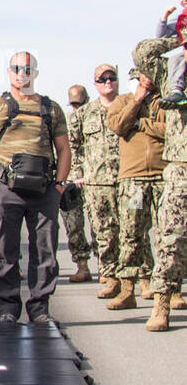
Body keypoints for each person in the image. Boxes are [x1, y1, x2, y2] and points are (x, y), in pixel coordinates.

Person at [0, 52, 72, 323]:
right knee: (5, 252)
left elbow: (63, 149)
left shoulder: (51, 108)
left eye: (28, 69)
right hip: (7, 190)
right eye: (17, 68)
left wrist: (59, 187)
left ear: (35, 74)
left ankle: (40, 308)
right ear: (9, 71)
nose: (22, 73)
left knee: (45, 253)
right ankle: (8, 309)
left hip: (44, 192)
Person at [105, 47, 168, 311]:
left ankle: (169, 289)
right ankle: (128, 288)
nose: (147, 80)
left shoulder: (167, 101)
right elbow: (118, 126)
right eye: (142, 77)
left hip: (163, 176)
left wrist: (141, 125)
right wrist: (137, 101)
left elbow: (170, 132)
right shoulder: (123, 101)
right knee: (131, 234)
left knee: (166, 235)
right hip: (133, 180)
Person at [142, 37, 187, 329]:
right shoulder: (173, 70)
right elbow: (143, 55)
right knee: (171, 235)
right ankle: (162, 302)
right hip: (180, 165)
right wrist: (177, 37)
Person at [72, 64, 126, 298]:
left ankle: (138, 278)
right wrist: (77, 172)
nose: (107, 82)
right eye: (102, 79)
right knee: (104, 232)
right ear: (95, 84)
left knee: (133, 232)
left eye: (111, 78)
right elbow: (73, 144)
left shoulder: (129, 107)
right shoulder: (85, 113)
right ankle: (110, 276)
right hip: (96, 183)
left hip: (127, 179)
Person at [61, 84, 94, 282]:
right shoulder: (65, 122)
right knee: (73, 225)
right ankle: (82, 265)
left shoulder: (96, 117)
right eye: (73, 105)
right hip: (71, 182)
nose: (76, 109)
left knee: (101, 226)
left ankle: (108, 268)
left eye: (79, 104)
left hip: (95, 180)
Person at [154, 0, 187, 107]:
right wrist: (164, 17)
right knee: (175, 59)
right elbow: (161, 36)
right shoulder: (182, 18)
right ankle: (177, 91)